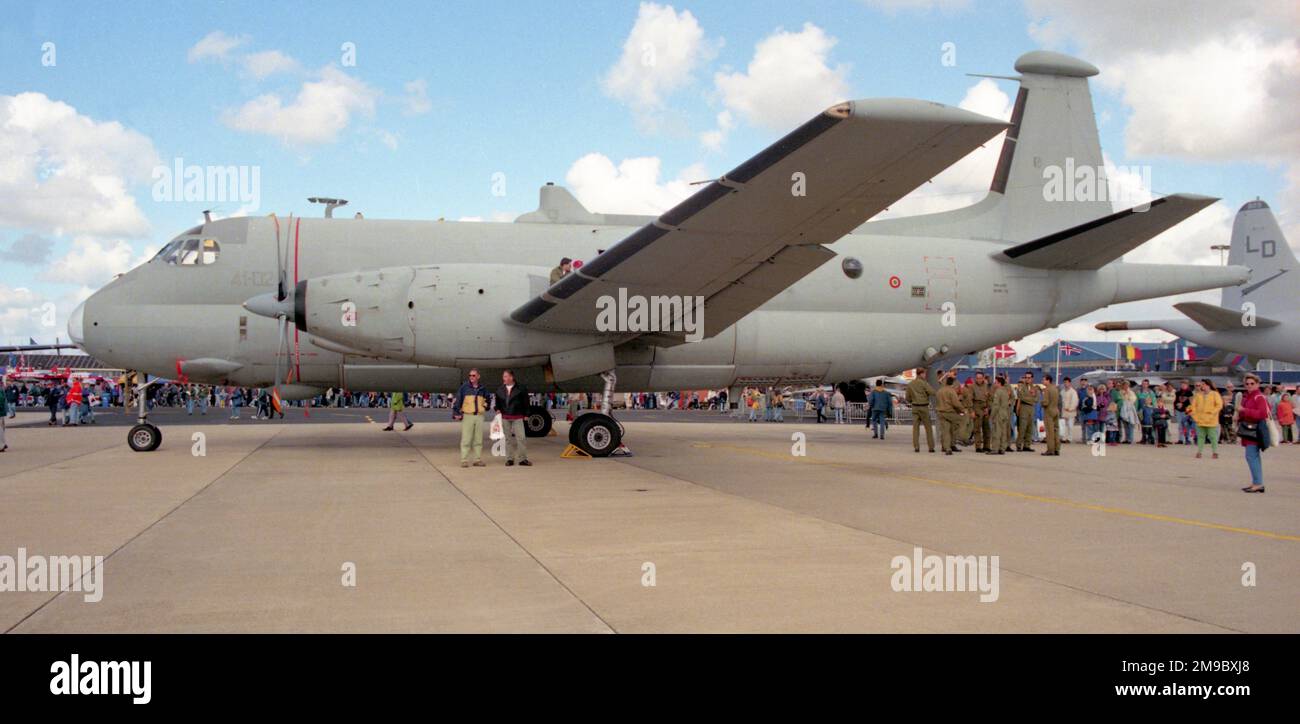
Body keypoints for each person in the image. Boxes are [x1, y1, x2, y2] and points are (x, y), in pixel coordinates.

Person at [452, 369, 492, 467]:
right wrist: (456, 412)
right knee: (466, 439)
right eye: (470, 375)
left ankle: (477, 460)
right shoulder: (464, 388)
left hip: (479, 416)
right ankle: (464, 460)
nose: (471, 377)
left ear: (478, 376)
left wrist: (486, 406)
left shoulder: (483, 388)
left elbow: (487, 399)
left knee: (478, 439)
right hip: (468, 416)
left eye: (473, 375)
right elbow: (458, 400)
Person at [1238, 374, 1269, 493]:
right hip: (1249, 429)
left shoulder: (1259, 397)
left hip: (1254, 430)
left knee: (1251, 456)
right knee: (1253, 457)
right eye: (1247, 384)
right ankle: (1257, 481)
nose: (1249, 385)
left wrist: (1245, 410)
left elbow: (1262, 414)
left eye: (1252, 383)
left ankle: (1258, 483)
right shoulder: (1249, 397)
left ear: (1257, 384)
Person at [495, 370, 531, 466]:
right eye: (504, 376)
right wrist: (497, 409)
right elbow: (497, 403)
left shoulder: (521, 389)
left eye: (506, 376)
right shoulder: (500, 390)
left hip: (518, 416)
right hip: (505, 417)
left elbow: (526, 402)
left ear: (512, 377)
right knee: (508, 439)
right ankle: (509, 459)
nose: (505, 378)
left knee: (521, 438)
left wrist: (527, 414)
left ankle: (522, 459)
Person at [1190, 378, 1223, 459]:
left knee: (1213, 437)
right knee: (1200, 437)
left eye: (1203, 384)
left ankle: (1215, 452)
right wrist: (1194, 416)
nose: (1201, 386)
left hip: (1211, 420)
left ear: (1208, 385)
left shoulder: (1215, 394)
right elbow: (1193, 406)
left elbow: (1219, 405)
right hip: (1200, 420)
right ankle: (1199, 451)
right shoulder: (1198, 395)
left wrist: (1212, 412)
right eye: (1201, 385)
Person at [905, 369, 936, 453]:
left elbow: (907, 398)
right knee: (928, 428)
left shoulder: (910, 384)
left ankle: (916, 447)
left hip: (915, 407)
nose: (925, 375)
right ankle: (931, 447)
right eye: (924, 374)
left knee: (915, 428)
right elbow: (932, 392)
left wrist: (913, 401)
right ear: (921, 374)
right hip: (924, 407)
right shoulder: (924, 383)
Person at [936, 374, 965, 455]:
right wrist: (963, 410)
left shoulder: (939, 391)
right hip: (950, 413)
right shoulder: (951, 391)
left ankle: (946, 448)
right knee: (961, 422)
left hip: (940, 413)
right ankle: (964, 439)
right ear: (952, 384)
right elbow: (956, 403)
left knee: (945, 431)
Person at [1014, 373, 1039, 452]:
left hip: (1031, 409)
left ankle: (1027, 445)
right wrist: (1031, 398)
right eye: (1026, 377)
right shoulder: (1021, 387)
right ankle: (1019, 445)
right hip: (1024, 408)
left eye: (1029, 377)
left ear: (1032, 378)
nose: (1027, 379)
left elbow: (1037, 399)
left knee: (1030, 428)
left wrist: (1031, 398)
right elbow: (1021, 397)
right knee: (1022, 428)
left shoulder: (1035, 388)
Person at [987, 375, 1010, 455]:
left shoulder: (998, 391)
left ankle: (995, 449)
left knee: (996, 431)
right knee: (1003, 432)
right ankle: (1002, 448)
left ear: (999, 383)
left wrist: (991, 415)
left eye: (995, 382)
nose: (994, 384)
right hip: (1005, 413)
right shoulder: (1005, 391)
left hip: (998, 414)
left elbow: (996, 405)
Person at [1041, 373, 1061, 456]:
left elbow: (1045, 402)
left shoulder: (1047, 389)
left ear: (1048, 380)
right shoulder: (1055, 388)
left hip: (1049, 411)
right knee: (1056, 430)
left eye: (1044, 379)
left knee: (1049, 432)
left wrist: (1041, 402)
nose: (1042, 381)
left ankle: (1050, 449)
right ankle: (1057, 449)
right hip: (1056, 410)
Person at [1060, 377, 1078, 445]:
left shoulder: (1073, 392)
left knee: (1070, 426)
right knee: (1063, 425)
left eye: (1067, 382)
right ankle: (1064, 438)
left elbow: (1075, 401)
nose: (1065, 384)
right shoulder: (1062, 391)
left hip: (1071, 412)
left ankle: (1069, 438)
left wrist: (1070, 408)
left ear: (1070, 383)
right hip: (1063, 411)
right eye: (1064, 382)